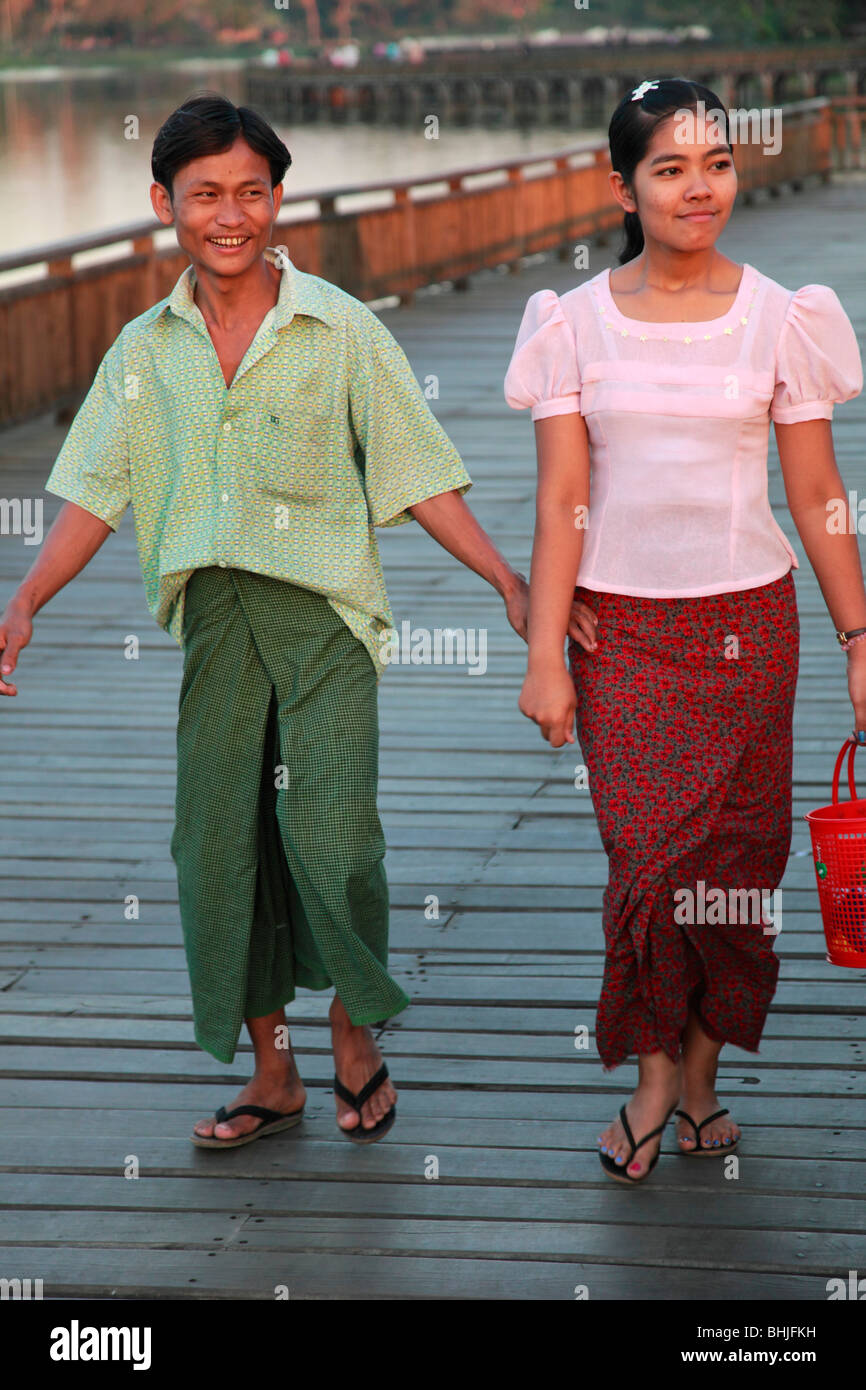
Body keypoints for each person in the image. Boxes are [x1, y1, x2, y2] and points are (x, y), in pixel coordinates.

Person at [0, 93, 595, 1149]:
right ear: (162, 203)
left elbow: (414, 477)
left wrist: (506, 581)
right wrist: (25, 603)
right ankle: (272, 1071)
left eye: (251, 192)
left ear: (277, 198)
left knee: (333, 837)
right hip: (216, 623)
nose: (229, 215)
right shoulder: (144, 349)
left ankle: (353, 1030)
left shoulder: (339, 327)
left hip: (323, 622)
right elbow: (98, 489)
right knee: (215, 846)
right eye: (204, 195)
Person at [504, 77, 866, 1183]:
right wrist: (542, 653)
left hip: (748, 633)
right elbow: (563, 491)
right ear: (621, 185)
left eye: (712, 161)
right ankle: (653, 1071)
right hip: (618, 638)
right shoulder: (570, 323)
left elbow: (813, 495)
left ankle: (700, 1075)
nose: (695, 185)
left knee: (736, 875)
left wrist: (858, 636)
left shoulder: (779, 314)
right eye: (668, 167)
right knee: (647, 871)